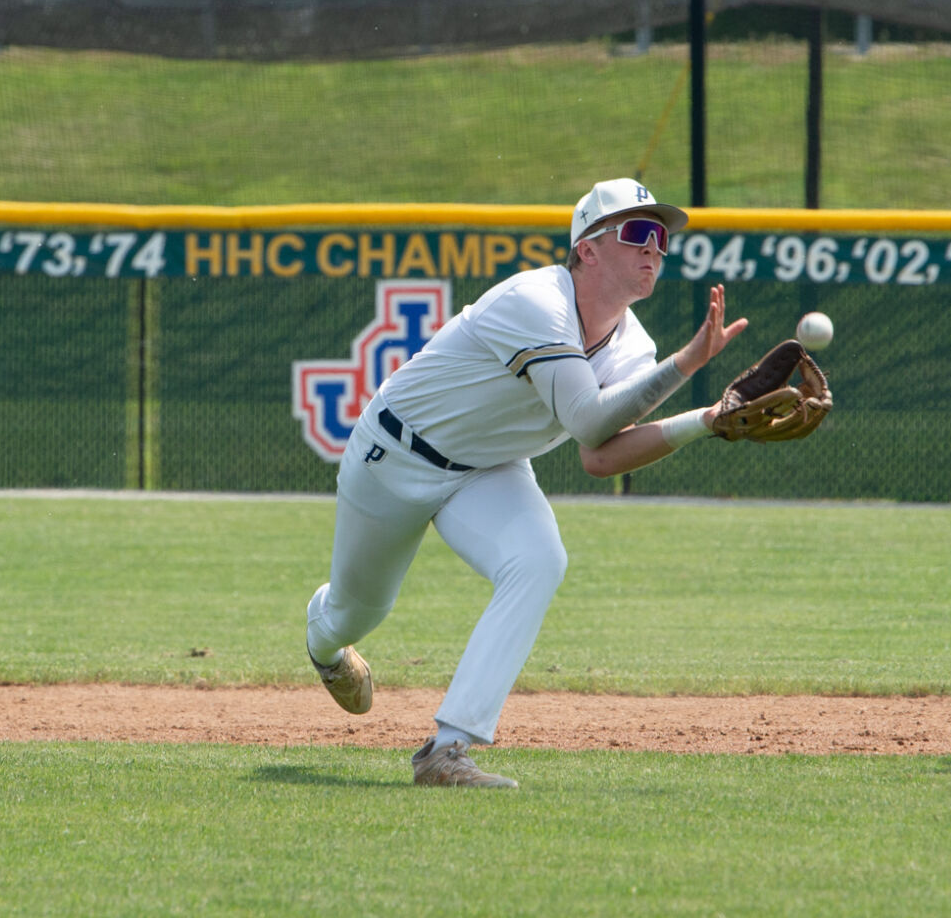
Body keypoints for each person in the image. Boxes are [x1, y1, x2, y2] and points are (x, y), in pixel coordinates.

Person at [305, 178, 748, 788]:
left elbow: (598, 455)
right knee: (357, 613)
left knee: (539, 560)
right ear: (587, 249)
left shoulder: (634, 344)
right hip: (396, 456)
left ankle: (447, 751)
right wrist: (688, 366)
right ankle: (324, 642)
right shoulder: (535, 301)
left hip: (489, 469)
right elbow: (589, 418)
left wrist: (709, 420)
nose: (655, 248)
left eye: (662, 238)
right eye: (639, 232)